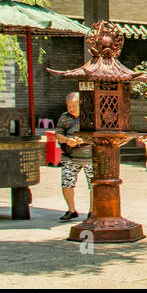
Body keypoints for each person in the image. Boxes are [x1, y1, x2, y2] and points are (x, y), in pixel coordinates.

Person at [56, 92, 93, 221]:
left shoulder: (90, 116)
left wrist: (81, 140)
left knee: (93, 184)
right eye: (69, 105)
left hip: (89, 156)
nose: (71, 108)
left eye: (74, 105)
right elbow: (58, 134)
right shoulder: (64, 117)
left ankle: (92, 210)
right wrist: (66, 140)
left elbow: (95, 134)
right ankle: (71, 210)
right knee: (67, 182)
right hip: (70, 156)